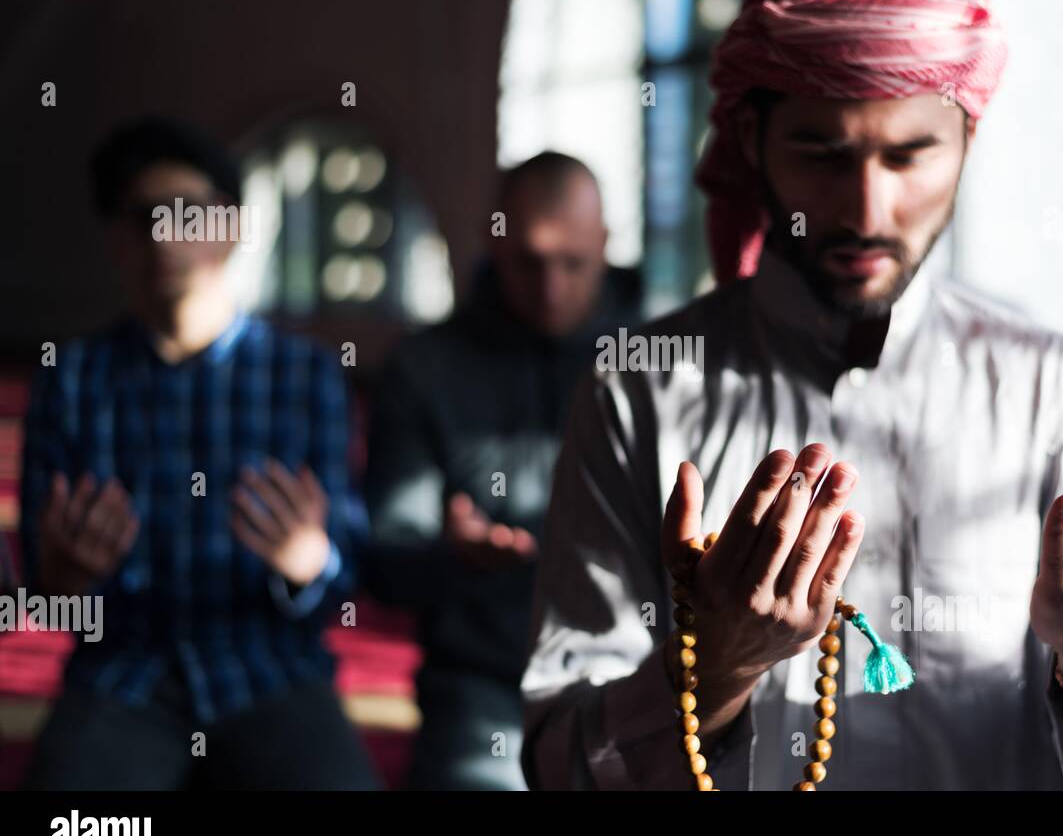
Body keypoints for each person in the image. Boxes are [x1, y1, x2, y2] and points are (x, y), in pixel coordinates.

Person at [521, 0, 1063, 791]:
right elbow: (556, 759)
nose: (866, 207)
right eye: (823, 152)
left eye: (909, 153)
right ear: (751, 141)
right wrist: (714, 674)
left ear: (968, 139)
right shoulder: (641, 385)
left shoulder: (1051, 384)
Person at [21, 116, 378, 789]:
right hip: (124, 675)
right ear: (116, 238)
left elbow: (346, 568)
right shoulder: (71, 378)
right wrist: (65, 578)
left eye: (190, 214)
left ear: (232, 227)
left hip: (269, 668)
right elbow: (48, 591)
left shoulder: (305, 376)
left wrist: (308, 563)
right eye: (145, 216)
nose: (166, 235)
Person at [365, 151, 641, 789]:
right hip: (483, 684)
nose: (552, 289)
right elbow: (383, 559)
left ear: (605, 244)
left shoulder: (665, 356)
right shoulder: (425, 366)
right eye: (529, 263)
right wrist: (450, 557)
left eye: (572, 263)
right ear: (496, 243)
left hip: (638, 675)